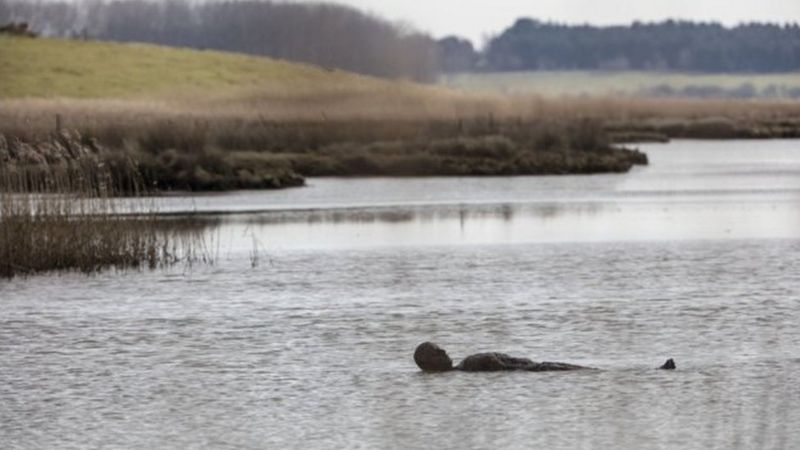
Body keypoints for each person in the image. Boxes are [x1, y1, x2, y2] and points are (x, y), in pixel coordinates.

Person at [414, 341, 676, 372]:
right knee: (585, 371)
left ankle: (653, 371)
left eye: (442, 348)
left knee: (586, 370)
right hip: (534, 372)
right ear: (428, 365)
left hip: (534, 367)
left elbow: (511, 360)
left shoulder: (467, 365)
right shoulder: (468, 367)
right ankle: (653, 372)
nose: (445, 352)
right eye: (438, 352)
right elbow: (507, 367)